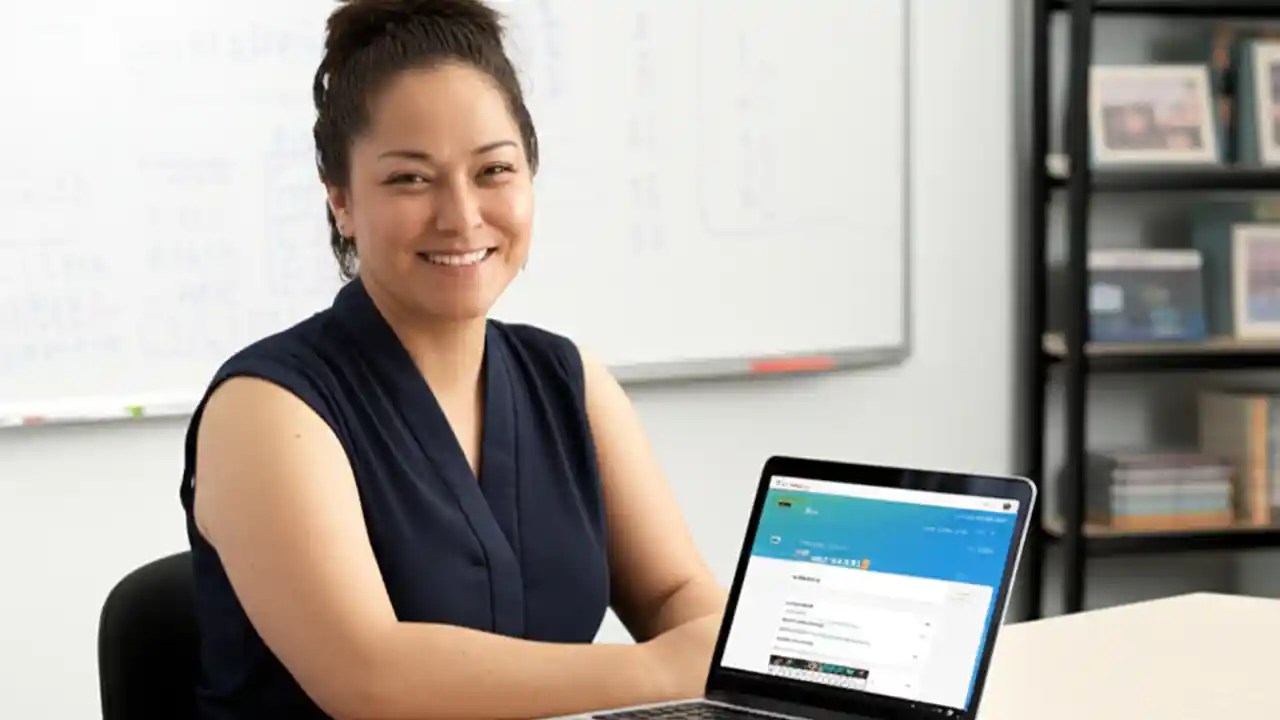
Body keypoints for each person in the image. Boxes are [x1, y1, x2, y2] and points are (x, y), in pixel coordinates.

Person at [179, 1, 725, 718]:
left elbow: (674, 596)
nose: (462, 216)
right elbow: (371, 680)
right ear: (341, 201)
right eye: (410, 179)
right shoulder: (266, 408)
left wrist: (746, 652)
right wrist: (664, 669)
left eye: (494, 170)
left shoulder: (568, 380)